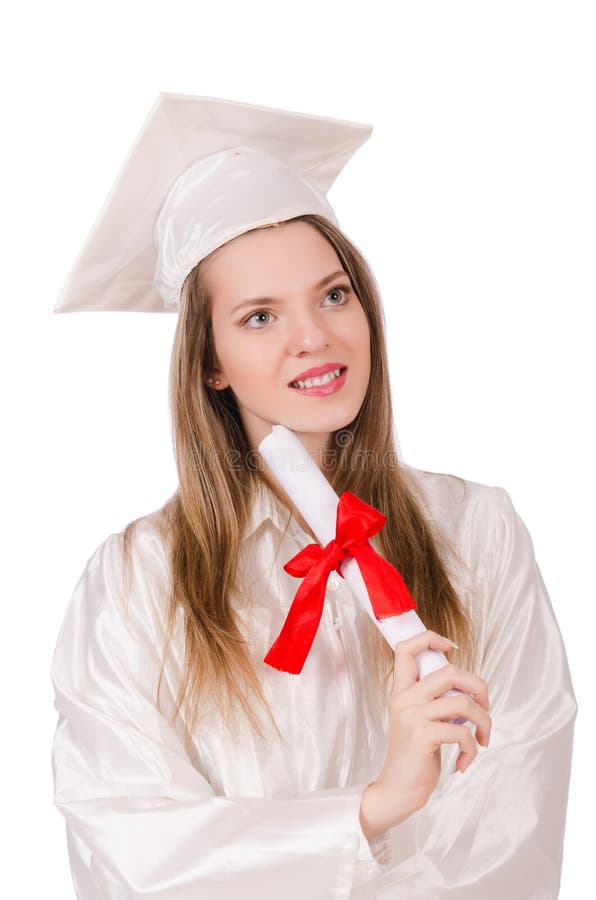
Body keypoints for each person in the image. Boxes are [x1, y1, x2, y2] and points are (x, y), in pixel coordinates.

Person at [50, 93, 577, 899]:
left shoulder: (479, 535)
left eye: (333, 295)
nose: (314, 338)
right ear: (210, 363)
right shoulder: (134, 585)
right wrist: (373, 809)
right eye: (259, 316)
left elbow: (517, 835)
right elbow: (138, 857)